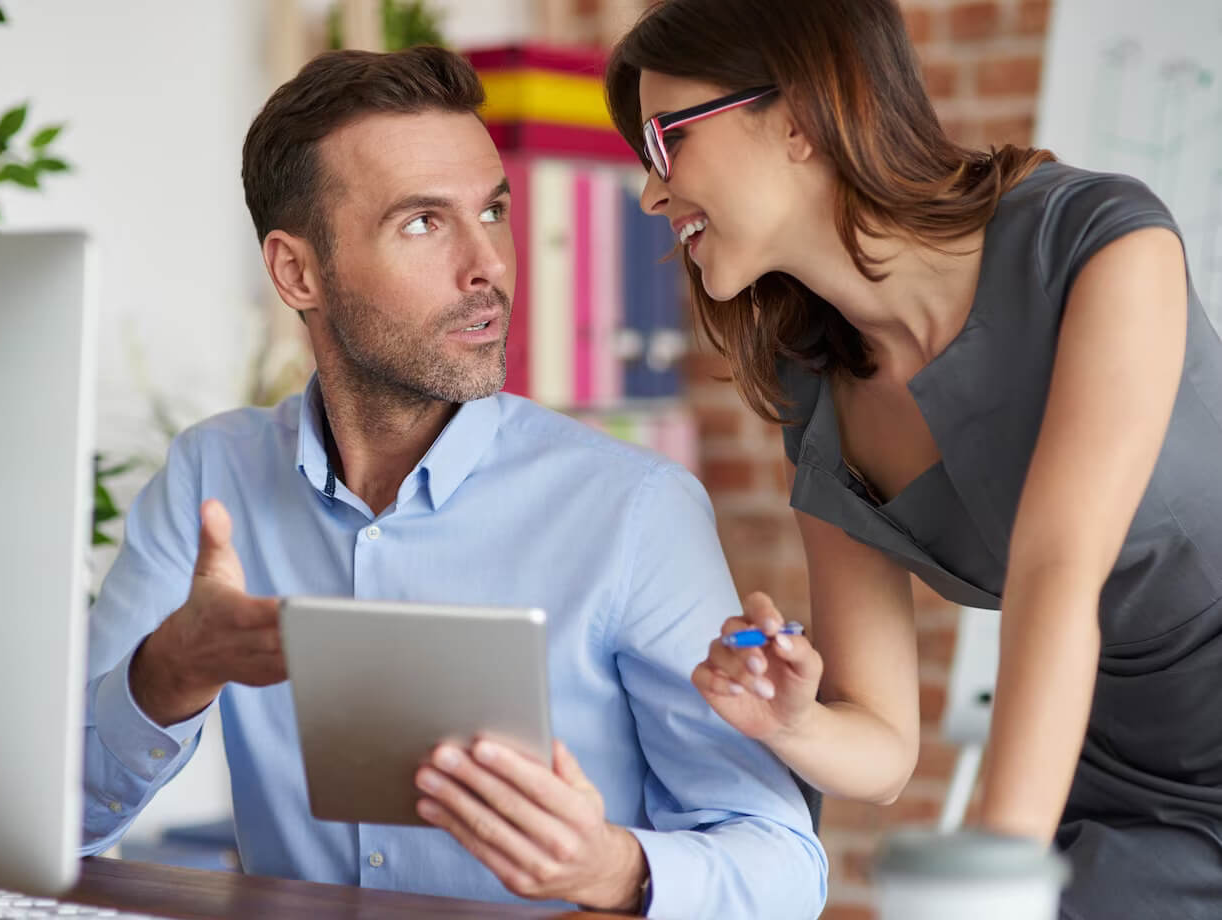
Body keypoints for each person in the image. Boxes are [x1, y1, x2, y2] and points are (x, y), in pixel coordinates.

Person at [79, 45, 826, 920]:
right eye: (424, 223)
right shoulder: (212, 479)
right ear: (297, 273)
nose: (490, 267)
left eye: (493, 210)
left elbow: (784, 867)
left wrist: (613, 870)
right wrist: (167, 673)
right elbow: (49, 821)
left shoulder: (634, 509)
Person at [605, 1, 1222, 917]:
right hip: (1122, 800)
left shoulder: (1098, 241)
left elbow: (1060, 571)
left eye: (666, 143)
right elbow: (886, 746)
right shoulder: (813, 387)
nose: (652, 194)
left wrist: (1001, 864)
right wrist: (798, 720)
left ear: (800, 119)